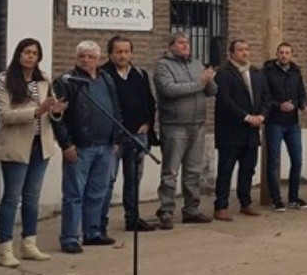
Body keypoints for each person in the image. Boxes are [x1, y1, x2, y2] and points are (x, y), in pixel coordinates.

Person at [0, 37, 61, 268]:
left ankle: (29, 243)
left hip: (41, 143)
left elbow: (49, 115)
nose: (30, 56)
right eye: (26, 52)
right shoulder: (5, 80)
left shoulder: (44, 80)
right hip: (16, 144)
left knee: (33, 196)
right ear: (18, 54)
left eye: (35, 53)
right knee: (12, 196)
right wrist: (36, 111)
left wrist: (56, 111)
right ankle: (5, 247)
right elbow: (4, 115)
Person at [53, 41, 122, 252]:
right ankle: (69, 238)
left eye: (91, 56)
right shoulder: (67, 81)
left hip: (105, 145)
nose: (86, 60)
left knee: (98, 191)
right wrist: (66, 144)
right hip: (80, 147)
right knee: (74, 194)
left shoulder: (106, 78)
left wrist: (116, 138)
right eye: (82, 56)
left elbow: (115, 108)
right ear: (76, 58)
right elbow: (58, 117)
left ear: (99, 59)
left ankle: (92, 233)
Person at [154, 32, 217, 229]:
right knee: (170, 171)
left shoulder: (197, 64)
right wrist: (200, 83)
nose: (185, 45)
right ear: (171, 46)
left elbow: (212, 92)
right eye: (181, 42)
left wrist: (210, 80)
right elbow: (170, 90)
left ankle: (191, 209)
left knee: (193, 171)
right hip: (175, 125)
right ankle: (166, 210)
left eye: (187, 42)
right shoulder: (163, 66)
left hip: (197, 124)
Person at [101, 36, 156, 233]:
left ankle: (132, 219)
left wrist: (148, 123)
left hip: (137, 136)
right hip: (112, 139)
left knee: (133, 180)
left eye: (126, 51)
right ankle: (100, 223)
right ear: (110, 54)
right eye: (118, 52)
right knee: (108, 180)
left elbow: (149, 102)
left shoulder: (140, 74)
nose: (123, 55)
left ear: (131, 53)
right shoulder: (102, 75)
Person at [214, 39, 269, 218]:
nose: (245, 53)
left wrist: (261, 116)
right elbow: (225, 101)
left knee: (248, 169)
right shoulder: (223, 73)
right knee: (226, 169)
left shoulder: (256, 72)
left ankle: (245, 202)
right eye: (240, 50)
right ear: (231, 53)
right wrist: (246, 117)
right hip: (231, 130)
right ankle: (221, 206)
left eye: (247, 49)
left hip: (252, 131)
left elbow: (266, 98)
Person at [262, 42, 307, 210]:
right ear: (277, 54)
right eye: (281, 52)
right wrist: (278, 105)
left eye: (287, 52)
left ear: (291, 54)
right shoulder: (267, 72)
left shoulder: (296, 72)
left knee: (297, 160)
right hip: (274, 122)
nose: (284, 55)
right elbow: (264, 97)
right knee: (274, 162)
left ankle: (294, 198)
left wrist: (302, 104)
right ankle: (276, 199)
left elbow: (301, 92)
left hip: (292, 123)